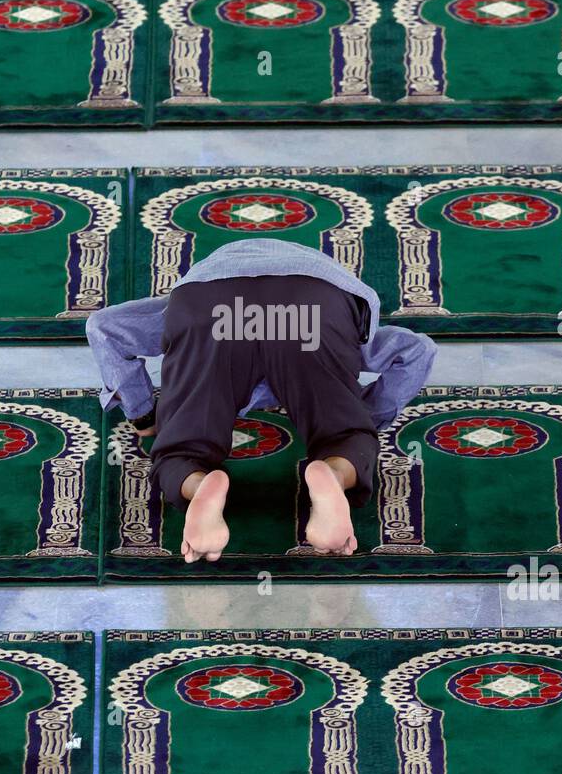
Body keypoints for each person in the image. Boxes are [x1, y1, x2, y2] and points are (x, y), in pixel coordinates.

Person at [87, 238, 436, 564]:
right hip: (314, 306)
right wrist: (365, 418)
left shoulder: (190, 294)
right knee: (346, 436)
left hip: (211, 307)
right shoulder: (329, 295)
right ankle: (331, 470)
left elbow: (104, 326)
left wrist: (144, 414)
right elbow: (418, 350)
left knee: (180, 450)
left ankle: (200, 484)